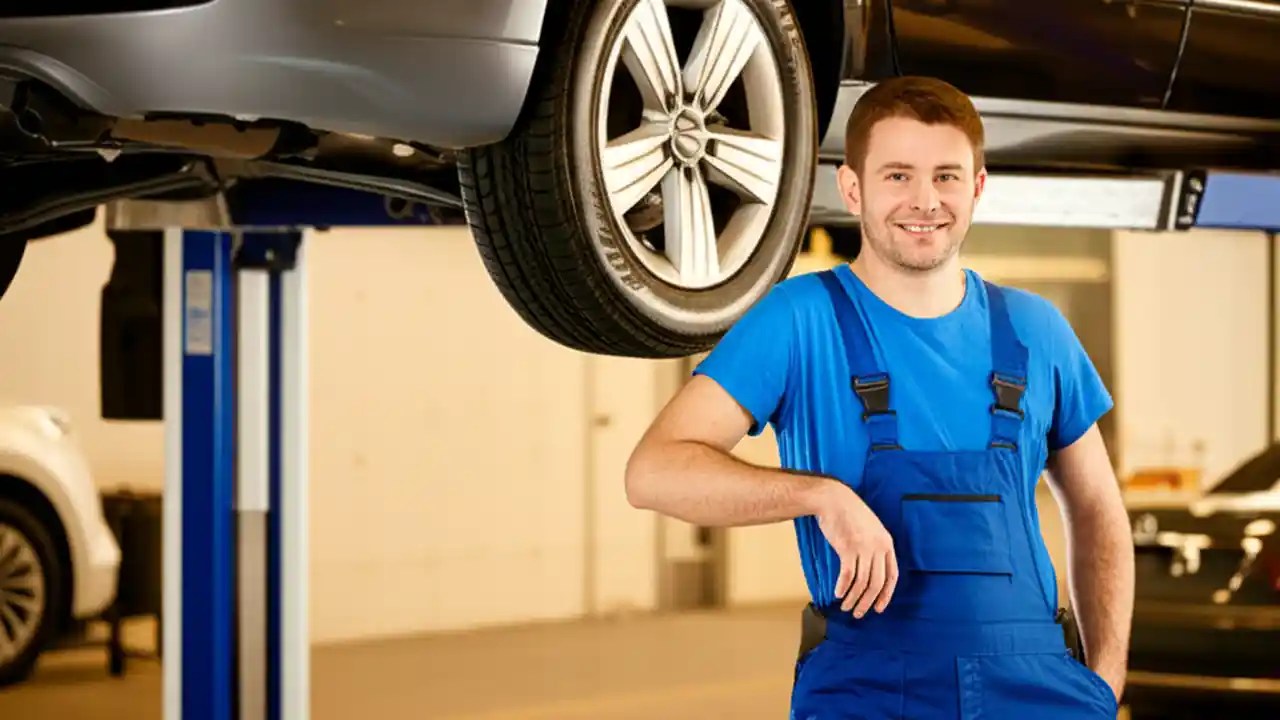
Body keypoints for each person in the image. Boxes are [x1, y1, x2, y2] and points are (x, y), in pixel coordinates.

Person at [624, 76, 1134, 719]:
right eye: (898, 176)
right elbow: (654, 472)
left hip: (1039, 692)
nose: (925, 200)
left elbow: (1097, 511)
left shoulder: (1036, 330)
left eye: (947, 176)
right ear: (852, 187)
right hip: (869, 693)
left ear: (977, 186)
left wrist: (1105, 683)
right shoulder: (798, 320)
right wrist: (820, 496)